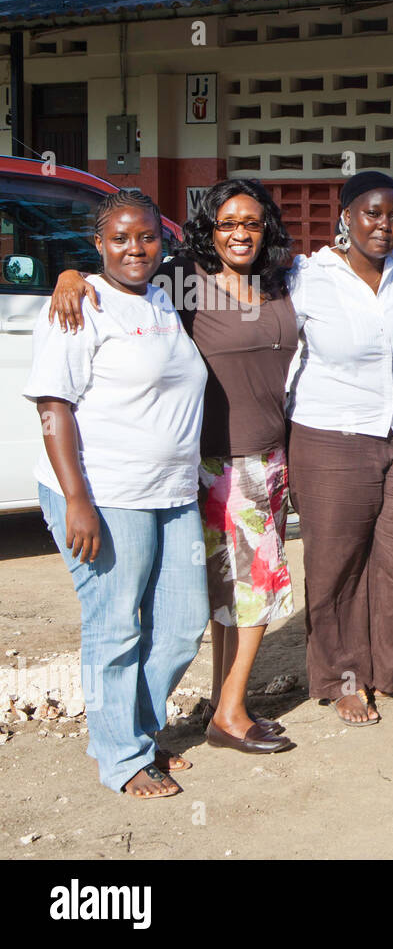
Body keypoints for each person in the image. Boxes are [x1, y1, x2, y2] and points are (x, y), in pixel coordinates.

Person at [51, 178, 299, 754]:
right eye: (228, 223)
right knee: (247, 586)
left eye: (252, 223)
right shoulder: (183, 278)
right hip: (215, 460)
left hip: (270, 455)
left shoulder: (281, 279)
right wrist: (71, 277)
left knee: (233, 587)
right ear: (209, 229)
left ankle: (224, 703)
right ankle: (230, 713)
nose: (240, 233)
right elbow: (118, 273)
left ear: (267, 229)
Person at [26, 190, 209, 797]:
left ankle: (135, 729)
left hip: (171, 490)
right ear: (99, 244)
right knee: (115, 628)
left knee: (182, 624)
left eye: (148, 236)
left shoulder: (160, 296)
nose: (136, 248)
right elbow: (54, 407)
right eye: (121, 239)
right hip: (105, 492)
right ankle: (121, 756)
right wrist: (77, 499)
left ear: (163, 238)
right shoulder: (79, 305)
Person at [287, 171, 393, 726]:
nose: (384, 225)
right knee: (336, 564)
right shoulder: (306, 275)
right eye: (372, 214)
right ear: (347, 215)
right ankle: (343, 677)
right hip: (330, 436)